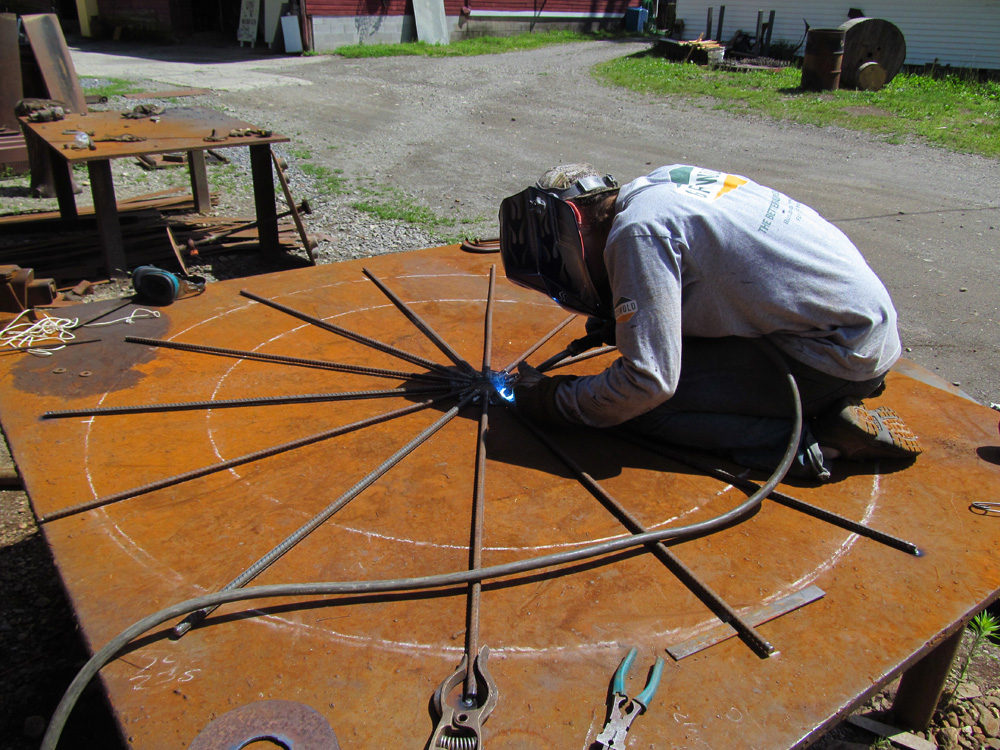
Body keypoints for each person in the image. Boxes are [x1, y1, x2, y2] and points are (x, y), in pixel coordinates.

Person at [498, 163, 921, 480]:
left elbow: (646, 385)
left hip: (836, 356)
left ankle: (807, 445)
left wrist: (552, 401)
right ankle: (822, 396)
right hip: (856, 327)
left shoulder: (637, 233)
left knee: (635, 409)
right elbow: (719, 277)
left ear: (576, 233)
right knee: (653, 369)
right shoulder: (657, 186)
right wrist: (628, 314)